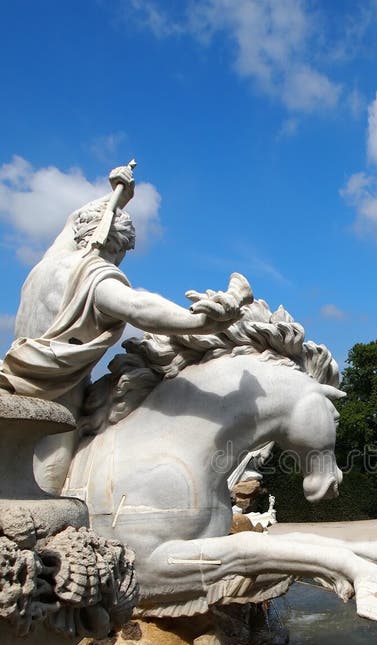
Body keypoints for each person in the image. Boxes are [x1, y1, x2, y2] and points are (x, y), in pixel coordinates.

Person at [0, 163, 253, 493]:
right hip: (59, 403)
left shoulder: (49, 261)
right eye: (121, 254)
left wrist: (117, 196)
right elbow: (140, 307)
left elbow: (72, 222)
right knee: (45, 491)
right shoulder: (93, 278)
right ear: (116, 247)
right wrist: (199, 322)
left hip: (13, 382)